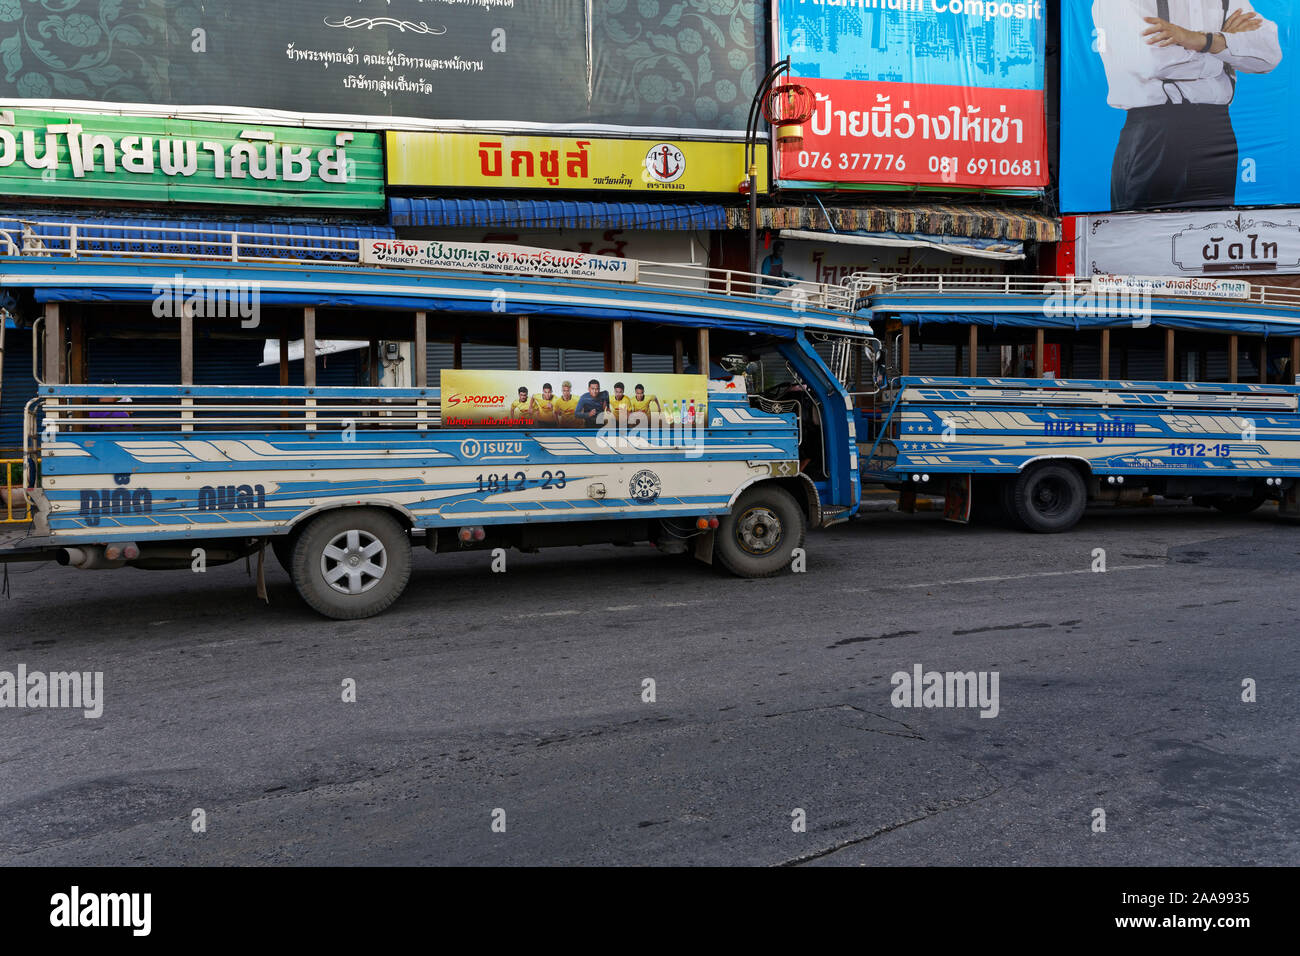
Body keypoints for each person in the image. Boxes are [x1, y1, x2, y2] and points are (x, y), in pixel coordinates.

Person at [1092, 1, 1282, 210]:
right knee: (1143, 231)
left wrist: (1200, 40)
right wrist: (1223, 46)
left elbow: (1269, 53)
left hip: (1218, 130)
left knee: (1211, 230)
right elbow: (1151, 61)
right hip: (1155, 131)